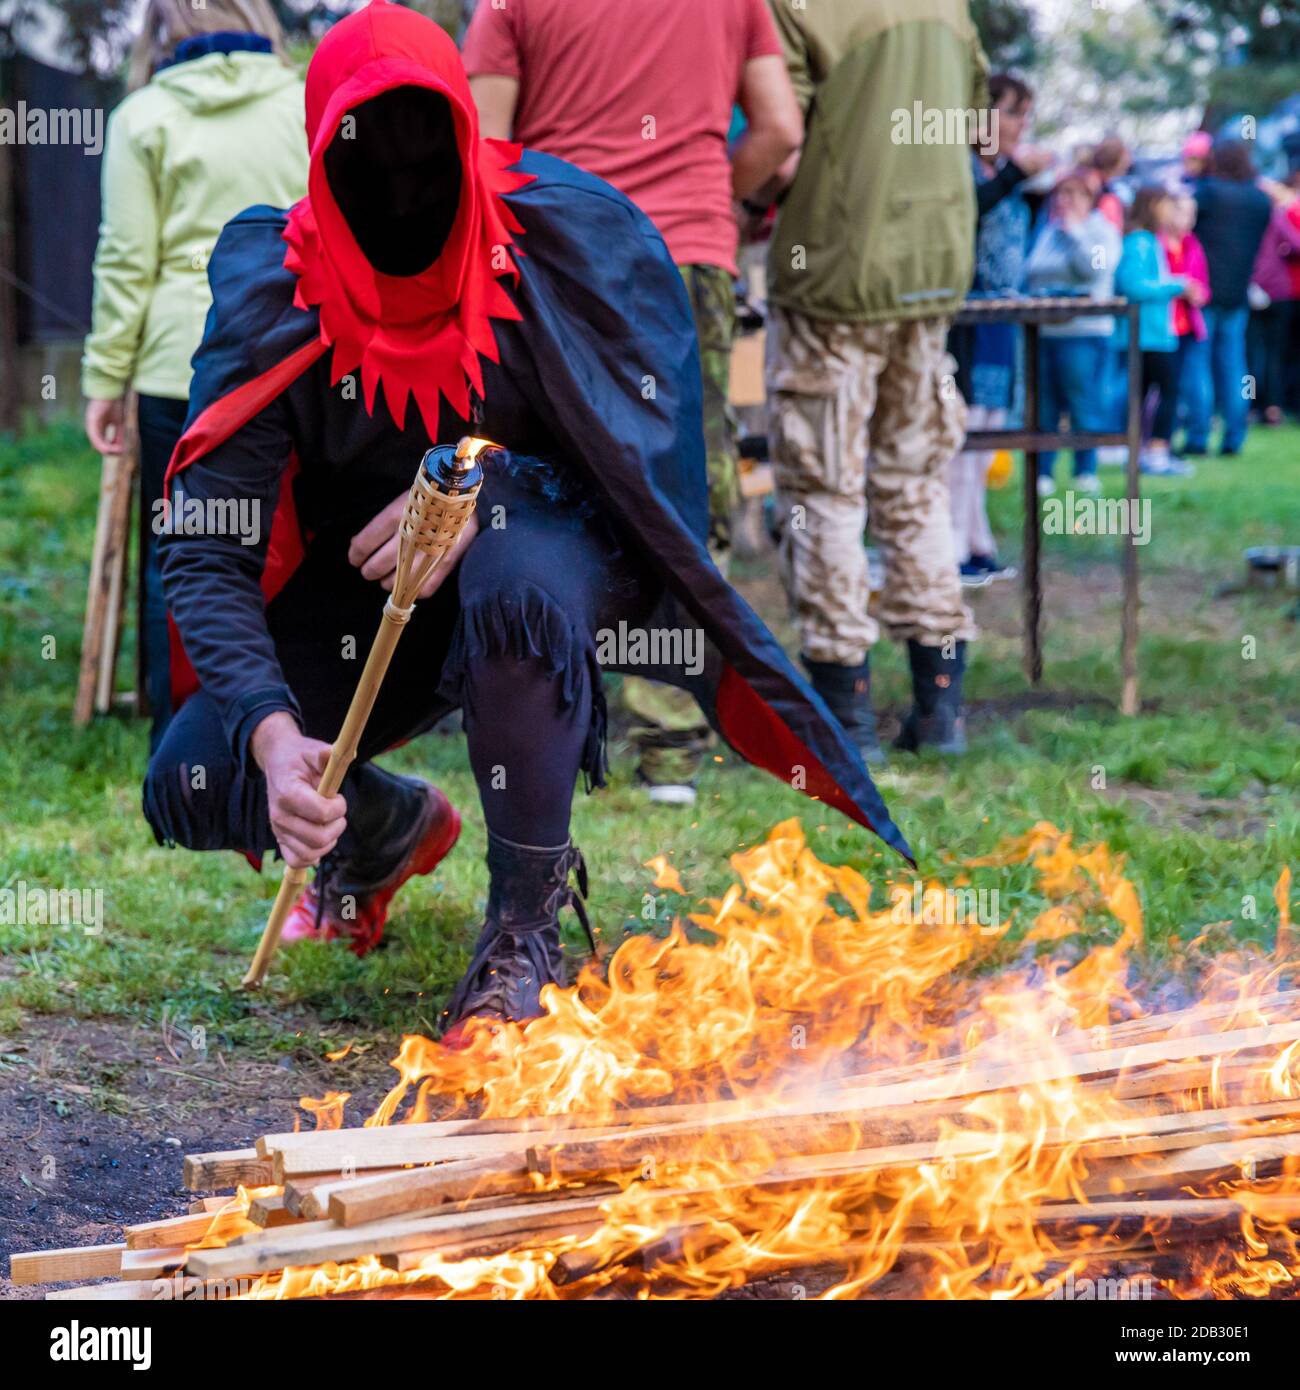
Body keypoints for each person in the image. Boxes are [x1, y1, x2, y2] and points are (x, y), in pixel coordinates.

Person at [142, 2, 908, 1038]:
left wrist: (476, 481)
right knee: (193, 773)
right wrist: (278, 744)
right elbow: (205, 541)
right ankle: (386, 826)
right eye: (377, 172)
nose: (408, 196)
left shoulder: (564, 240)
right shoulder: (277, 289)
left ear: (468, 143)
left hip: (550, 557)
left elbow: (644, 472)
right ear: (323, 161)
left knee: (511, 568)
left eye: (431, 168)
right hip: (373, 598)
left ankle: (521, 931)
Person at [461, 0, 802, 808]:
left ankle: (548, 724)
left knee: (545, 490)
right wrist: (718, 197)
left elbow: (482, 148)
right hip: (686, 257)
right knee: (683, 491)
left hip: (565, 263)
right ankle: (668, 744)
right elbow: (781, 131)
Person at [80, 0, 306, 751]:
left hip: (176, 366)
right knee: (287, 547)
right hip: (284, 360)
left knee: (177, 556)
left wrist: (104, 377)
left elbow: (124, 260)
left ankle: (178, 743)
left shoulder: (142, 116)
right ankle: (293, 727)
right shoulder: (303, 101)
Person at [764, 0, 985, 763]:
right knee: (916, 479)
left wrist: (740, 199)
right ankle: (941, 712)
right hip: (934, 268)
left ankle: (844, 717)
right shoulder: (947, 7)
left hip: (835, 270)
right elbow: (980, 117)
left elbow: (780, 140)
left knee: (823, 488)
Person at [947, 73, 1052, 581]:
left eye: (1024, 115)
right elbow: (966, 213)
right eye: (1012, 112)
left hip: (1000, 320)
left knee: (987, 433)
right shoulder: (956, 168)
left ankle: (975, 541)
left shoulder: (1004, 173)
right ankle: (950, 547)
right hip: (962, 318)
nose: (1020, 125)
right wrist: (1015, 176)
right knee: (958, 436)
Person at [1022, 170, 1122, 497]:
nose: (1066, 201)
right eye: (1061, 194)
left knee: (1083, 404)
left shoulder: (1100, 231)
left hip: (1085, 333)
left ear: (1089, 199)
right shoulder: (1047, 231)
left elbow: (1095, 269)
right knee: (1045, 407)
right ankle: (1044, 472)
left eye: (1075, 194)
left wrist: (1076, 233)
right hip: (1047, 332)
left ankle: (1085, 471)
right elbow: (1032, 270)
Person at [1185, 139, 1273, 457]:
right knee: (1234, 365)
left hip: (1203, 291)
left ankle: (1198, 436)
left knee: (1198, 363)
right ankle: (1234, 436)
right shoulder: (1260, 200)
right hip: (1237, 291)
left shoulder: (1207, 192)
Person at [1115, 187, 1194, 477]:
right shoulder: (1140, 241)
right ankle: (1156, 452)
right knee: (1168, 391)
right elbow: (1132, 285)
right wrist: (1178, 285)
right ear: (1152, 207)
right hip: (1148, 335)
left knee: (1142, 393)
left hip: (1151, 333)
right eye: (1166, 206)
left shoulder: (1146, 241)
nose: (1171, 213)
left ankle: (1136, 452)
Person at [1247, 178, 1300, 427]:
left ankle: (1253, 406)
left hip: (1252, 290)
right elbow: (1296, 243)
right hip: (1277, 292)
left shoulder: (1244, 219)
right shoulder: (1275, 217)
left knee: (1251, 352)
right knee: (1274, 353)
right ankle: (1272, 407)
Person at [1160, 193, 1211, 449]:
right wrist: (1180, 286)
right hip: (1162, 327)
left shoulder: (1192, 245)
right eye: (1183, 212)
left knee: (1193, 383)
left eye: (1192, 214)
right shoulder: (1157, 244)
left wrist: (1198, 293)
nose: (1188, 220)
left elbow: (1203, 285)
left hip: (1188, 326)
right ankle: (1157, 440)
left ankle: (1197, 438)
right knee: (1162, 389)